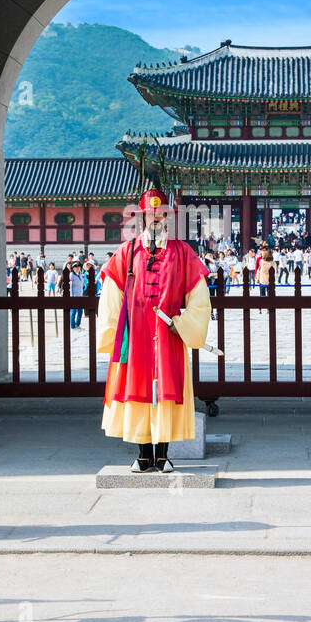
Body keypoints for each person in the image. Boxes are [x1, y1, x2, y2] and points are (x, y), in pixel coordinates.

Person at [97, 188, 210, 473]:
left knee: (166, 392)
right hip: (136, 337)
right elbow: (111, 291)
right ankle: (143, 454)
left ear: (168, 218)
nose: (156, 219)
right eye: (151, 214)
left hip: (169, 334)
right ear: (143, 217)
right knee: (139, 391)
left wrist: (182, 324)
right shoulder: (128, 250)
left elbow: (199, 296)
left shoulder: (182, 252)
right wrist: (111, 332)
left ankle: (163, 454)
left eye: (161, 215)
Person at [68, 261, 85, 328]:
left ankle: (77, 324)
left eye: (78, 267)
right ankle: (72, 325)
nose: (77, 268)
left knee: (80, 311)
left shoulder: (80, 274)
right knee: (73, 311)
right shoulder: (71, 275)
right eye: (75, 267)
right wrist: (71, 296)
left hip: (80, 295)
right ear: (73, 268)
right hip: (74, 296)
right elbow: (70, 286)